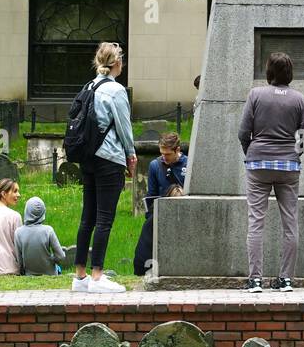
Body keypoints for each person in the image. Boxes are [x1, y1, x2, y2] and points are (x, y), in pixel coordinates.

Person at [238, 52, 304, 293]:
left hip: (258, 163)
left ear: (269, 71)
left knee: (256, 222)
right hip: (288, 167)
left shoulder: (255, 94)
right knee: (290, 222)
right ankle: (286, 280)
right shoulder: (299, 99)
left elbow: (243, 132)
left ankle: (255, 280)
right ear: (290, 72)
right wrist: (295, 154)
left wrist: (250, 152)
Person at [72, 41, 136, 295]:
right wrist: (131, 155)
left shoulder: (89, 86)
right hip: (108, 157)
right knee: (104, 219)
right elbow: (123, 126)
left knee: (87, 217)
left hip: (88, 156)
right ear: (117, 62)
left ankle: (80, 277)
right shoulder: (116, 90)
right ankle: (98, 275)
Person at [132, 133, 189, 277]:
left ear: (177, 150)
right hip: (161, 213)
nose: (164, 157)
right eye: (161, 153)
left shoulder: (188, 164)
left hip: (184, 213)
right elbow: (151, 195)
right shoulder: (155, 165)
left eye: (167, 154)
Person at [15, 196, 66, 277]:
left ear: (26, 211)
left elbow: (19, 260)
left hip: (29, 274)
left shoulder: (18, 232)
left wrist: (22, 272)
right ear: (43, 212)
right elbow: (61, 256)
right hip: (50, 273)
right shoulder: (48, 230)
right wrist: (51, 259)